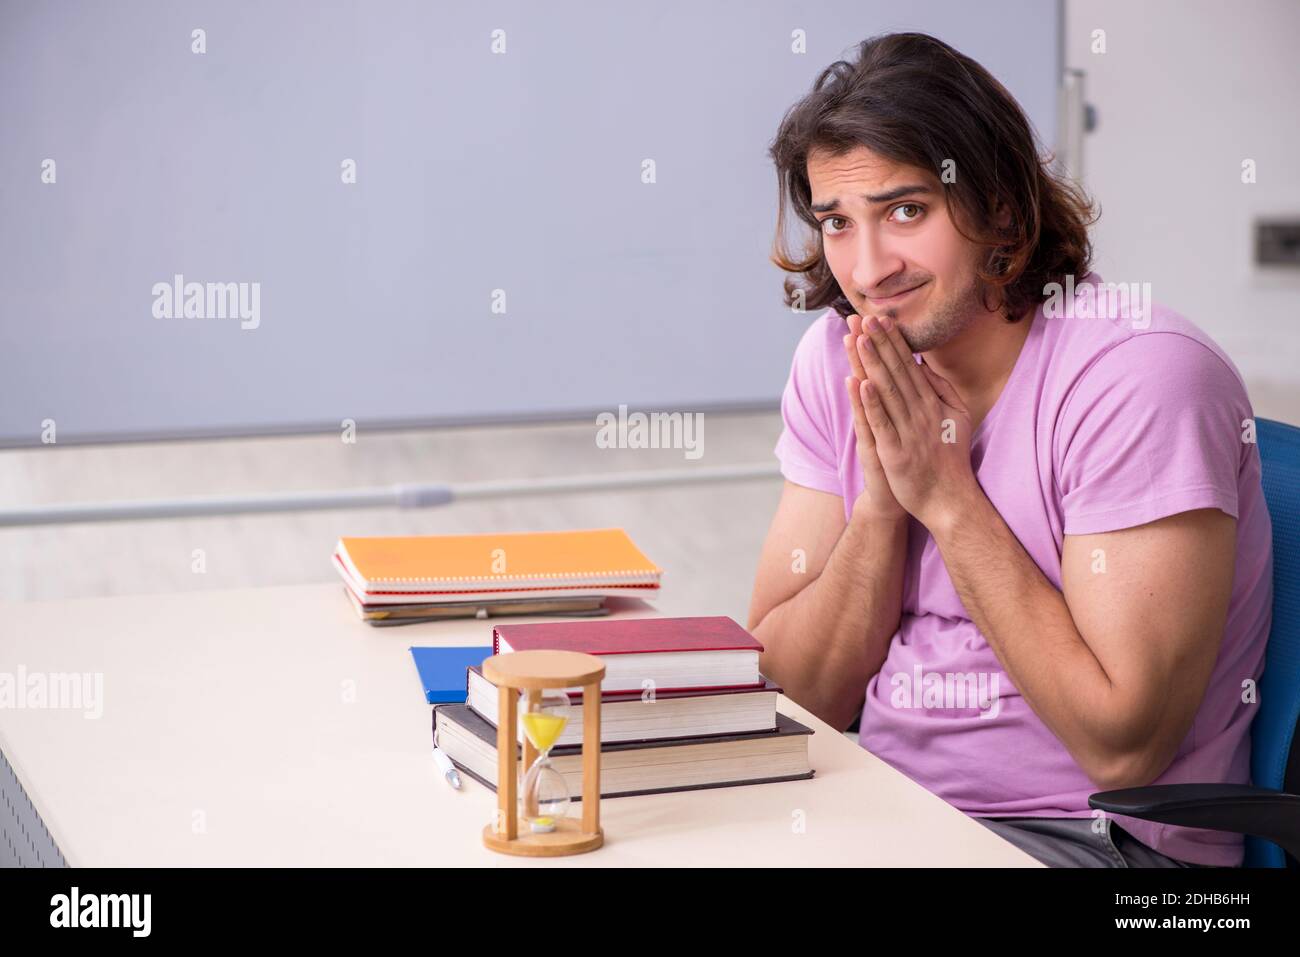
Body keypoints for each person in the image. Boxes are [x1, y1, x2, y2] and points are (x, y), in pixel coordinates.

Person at [748, 32, 1273, 868]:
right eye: (838, 224)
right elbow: (792, 693)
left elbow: (1123, 747)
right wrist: (885, 502)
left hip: (1094, 843)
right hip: (877, 807)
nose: (868, 268)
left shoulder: (1141, 378)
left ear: (999, 207)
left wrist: (948, 498)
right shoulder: (840, 359)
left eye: (906, 211)